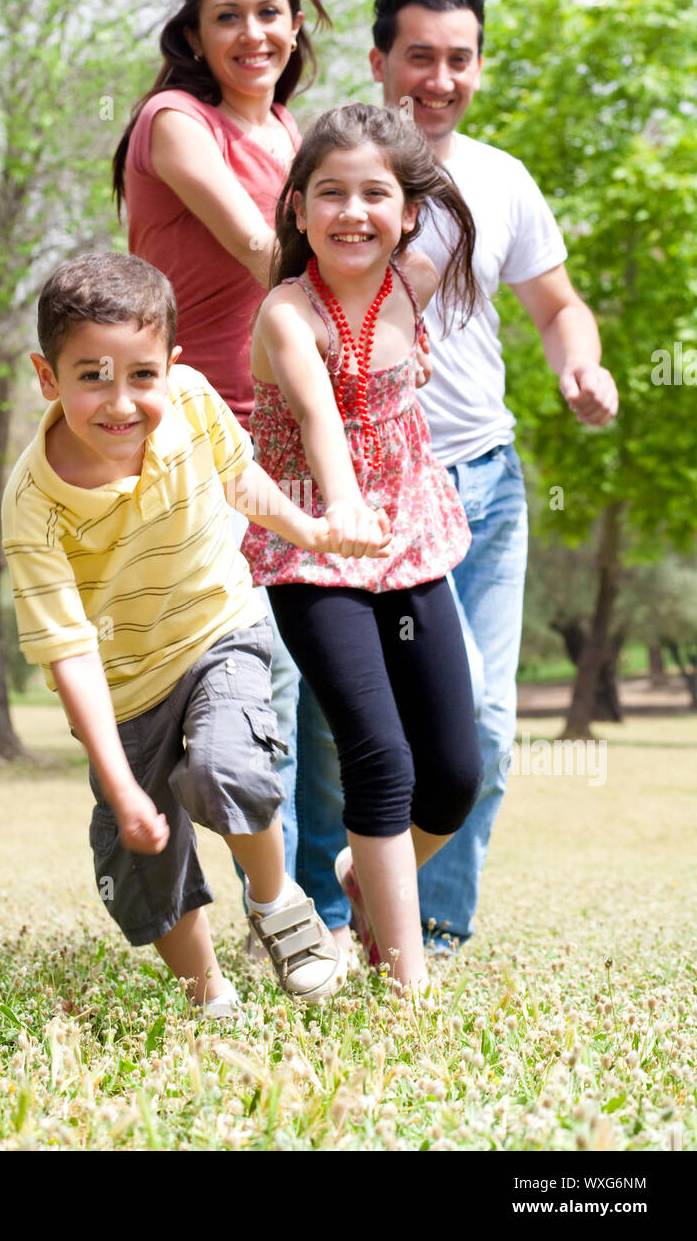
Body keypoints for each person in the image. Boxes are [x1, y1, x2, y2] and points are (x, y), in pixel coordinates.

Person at [296, 0, 619, 952]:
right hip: (355, 491)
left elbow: (556, 306)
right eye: (418, 57)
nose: (439, 78)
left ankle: (428, 924)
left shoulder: (500, 179)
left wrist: (581, 365)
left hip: (476, 479)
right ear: (378, 62)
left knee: (478, 718)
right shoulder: (328, 173)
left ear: (476, 64)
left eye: (458, 58)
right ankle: (320, 923)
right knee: (328, 726)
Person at [1, 252, 363, 1013]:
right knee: (143, 858)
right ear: (47, 376)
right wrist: (122, 781)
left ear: (171, 366)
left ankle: (275, 904)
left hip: (216, 630)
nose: (121, 402)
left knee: (228, 766)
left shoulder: (194, 401)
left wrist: (312, 530)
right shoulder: (34, 504)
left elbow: (242, 479)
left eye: (141, 376)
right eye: (91, 375)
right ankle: (210, 999)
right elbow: (67, 650)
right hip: (122, 685)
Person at [240, 103, 484, 989]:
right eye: (330, 193)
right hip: (314, 544)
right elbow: (316, 419)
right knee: (378, 757)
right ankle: (406, 985)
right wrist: (340, 507)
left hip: (411, 539)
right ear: (298, 209)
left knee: (454, 775)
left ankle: (361, 871)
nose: (353, 212)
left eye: (375, 193)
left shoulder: (413, 283)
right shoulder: (285, 311)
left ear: (409, 210)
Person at [112, 0, 331, 877]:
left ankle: (315, 899)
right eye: (228, 16)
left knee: (317, 681)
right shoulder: (173, 120)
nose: (254, 33)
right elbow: (257, 242)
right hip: (193, 437)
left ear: (296, 25)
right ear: (196, 35)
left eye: (270, 13)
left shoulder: (292, 130)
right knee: (247, 673)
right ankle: (256, 909)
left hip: (286, 429)